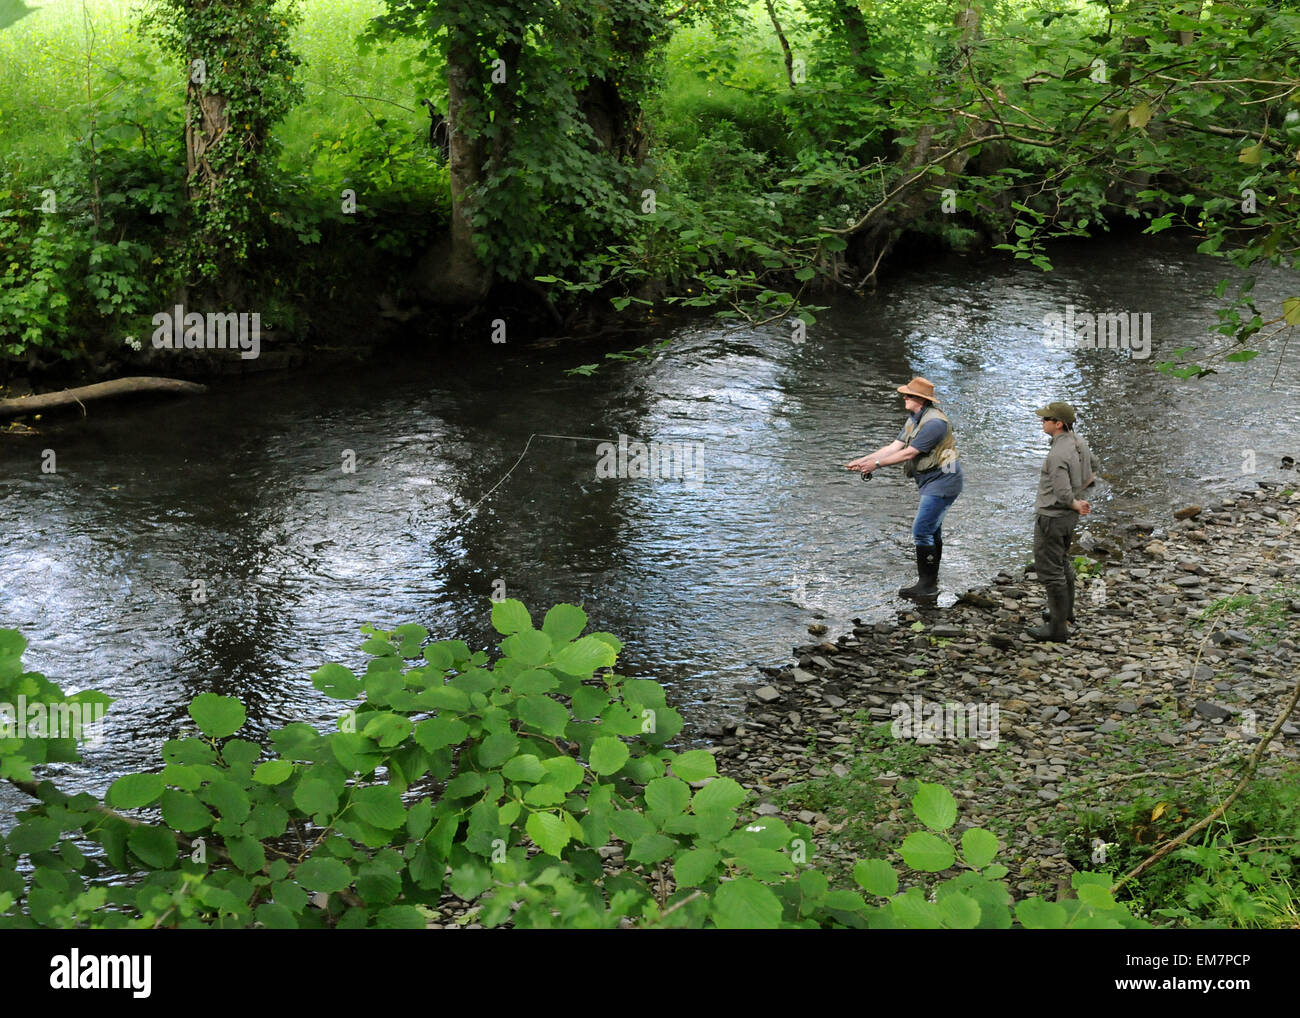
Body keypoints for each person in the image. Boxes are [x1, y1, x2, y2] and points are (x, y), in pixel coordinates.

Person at [846, 376, 963, 599]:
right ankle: (931, 580)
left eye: (908, 395)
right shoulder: (914, 419)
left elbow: (908, 453)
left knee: (922, 530)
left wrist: (876, 465)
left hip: (944, 480)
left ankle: (927, 587)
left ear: (921, 399)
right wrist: (864, 460)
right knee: (932, 529)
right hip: (933, 480)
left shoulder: (934, 423)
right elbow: (894, 447)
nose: (904, 398)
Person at [1027, 401, 1099, 642]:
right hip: (1068, 518)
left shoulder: (1057, 454)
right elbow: (1094, 468)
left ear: (1058, 424)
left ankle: (1057, 629)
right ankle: (1065, 613)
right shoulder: (1078, 442)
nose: (1042, 422)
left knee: (1051, 571)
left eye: (1046, 419)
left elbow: (1061, 492)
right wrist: (1079, 497)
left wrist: (1073, 501)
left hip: (1052, 516)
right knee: (1062, 561)